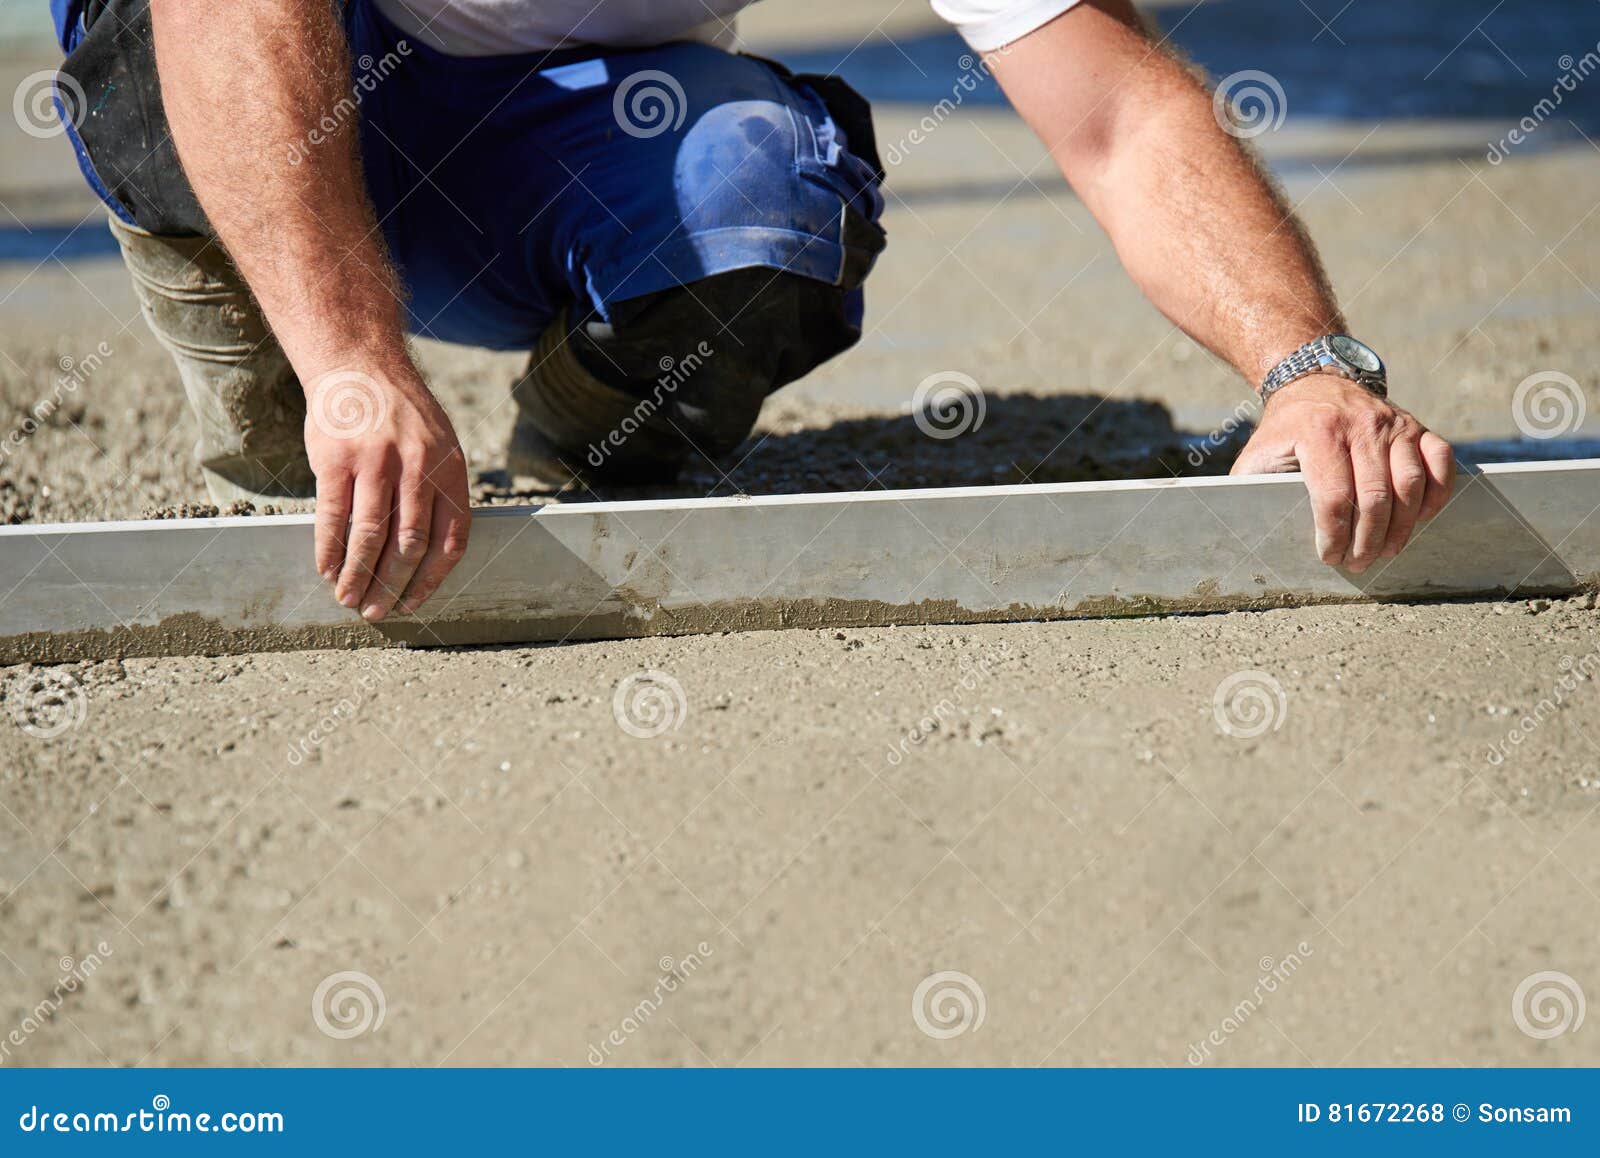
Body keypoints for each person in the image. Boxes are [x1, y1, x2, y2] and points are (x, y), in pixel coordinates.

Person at [50, 0, 1455, 623]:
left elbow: (1122, 120)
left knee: (767, 188)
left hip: (551, 166)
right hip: (277, 98)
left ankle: (595, 420)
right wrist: (352, 358)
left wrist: (1310, 367)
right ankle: (272, 365)